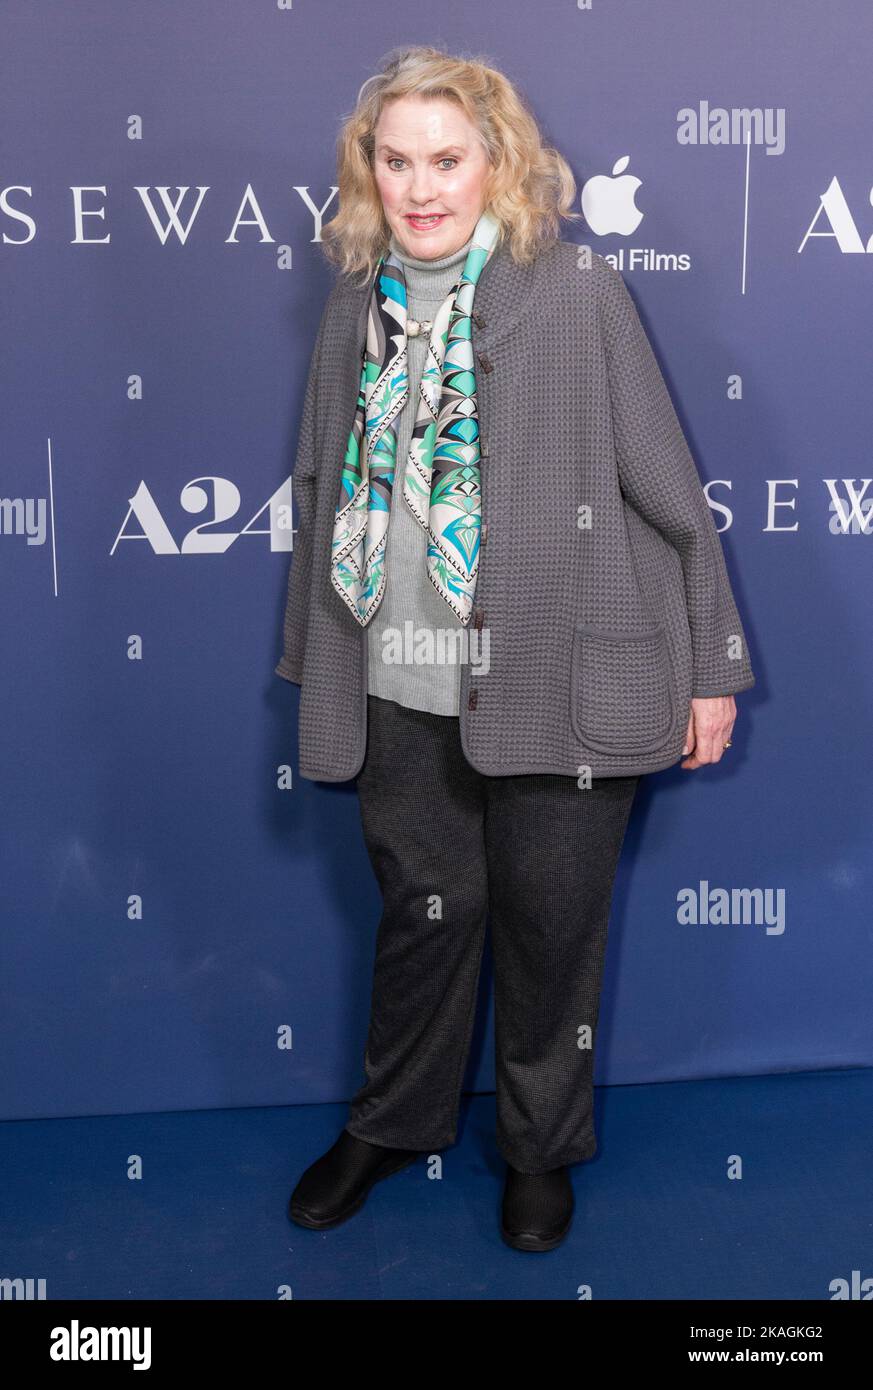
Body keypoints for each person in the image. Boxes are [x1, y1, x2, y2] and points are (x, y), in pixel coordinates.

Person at [274, 45, 755, 1253]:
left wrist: (713, 667)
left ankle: (541, 1150)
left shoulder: (578, 291)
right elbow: (325, 490)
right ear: (367, 171)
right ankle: (395, 1120)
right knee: (423, 915)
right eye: (398, 161)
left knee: (551, 927)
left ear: (499, 167)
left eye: (448, 159)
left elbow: (672, 495)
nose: (422, 187)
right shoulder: (351, 306)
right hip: (396, 681)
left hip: (561, 683)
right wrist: (312, 663)